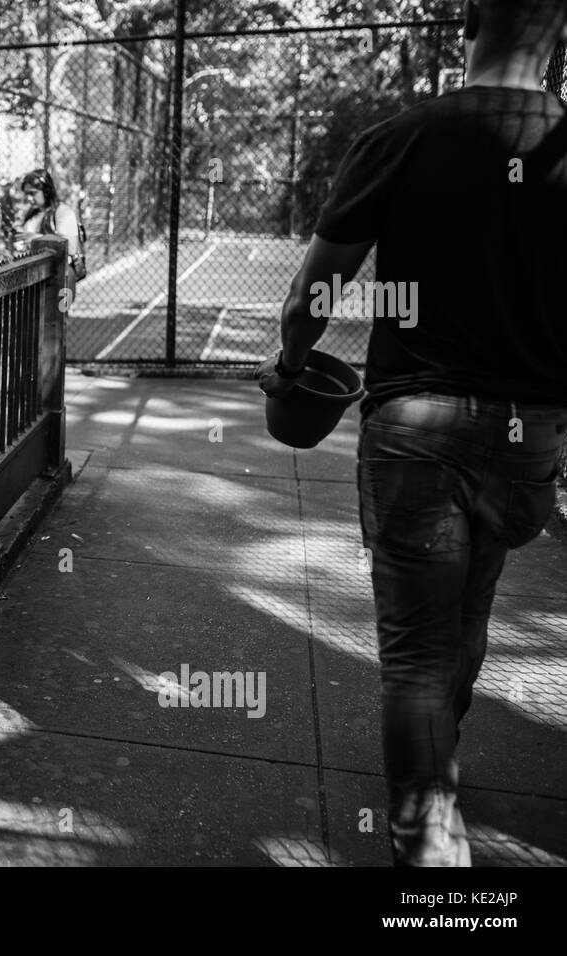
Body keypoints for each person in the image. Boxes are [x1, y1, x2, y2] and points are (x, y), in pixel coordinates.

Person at [257, 0, 567, 867]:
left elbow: (313, 298)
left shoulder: (405, 136)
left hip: (418, 431)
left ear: (470, 33)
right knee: (473, 598)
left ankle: (436, 872)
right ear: (558, 44)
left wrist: (290, 362)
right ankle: (442, 761)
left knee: (417, 660)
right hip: (528, 441)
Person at [12, 168, 81, 292]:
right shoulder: (31, 214)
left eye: (32, 193)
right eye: (26, 193)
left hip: (59, 277)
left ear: (46, 191)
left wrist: (37, 239)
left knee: (58, 311)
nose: (28, 198)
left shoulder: (62, 212)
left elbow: (71, 247)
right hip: (33, 277)